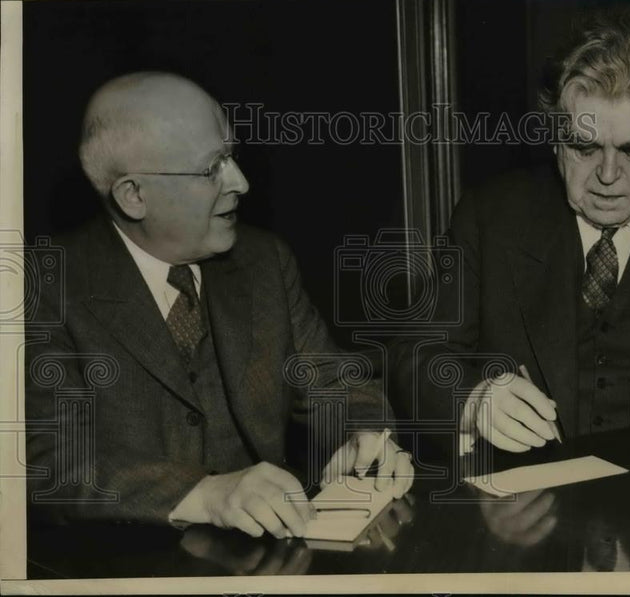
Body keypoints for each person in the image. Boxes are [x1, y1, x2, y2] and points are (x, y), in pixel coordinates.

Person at [25, 72, 413, 538]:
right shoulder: (39, 288)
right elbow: (43, 462)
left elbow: (334, 382)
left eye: (231, 155)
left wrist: (365, 435)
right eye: (212, 168)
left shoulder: (263, 261)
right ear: (134, 195)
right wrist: (206, 494)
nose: (241, 182)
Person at [391, 7, 630, 453]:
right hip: (530, 507)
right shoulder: (491, 216)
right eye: (584, 146)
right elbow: (415, 357)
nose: (608, 175)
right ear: (554, 136)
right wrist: (473, 400)